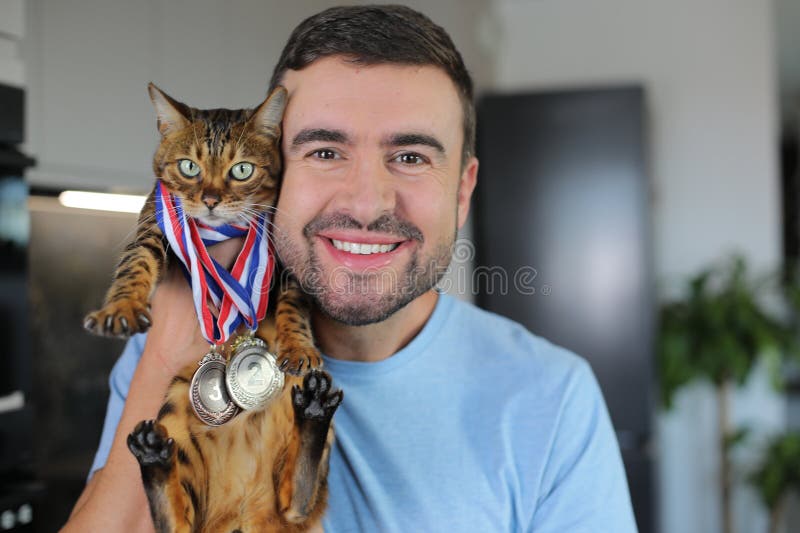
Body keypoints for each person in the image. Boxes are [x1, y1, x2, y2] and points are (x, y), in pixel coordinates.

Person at [64, 5, 638, 532]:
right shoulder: (164, 351)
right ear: (273, 170)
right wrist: (167, 351)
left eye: (411, 157)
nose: (366, 204)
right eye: (325, 152)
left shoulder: (552, 398)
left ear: (462, 192)